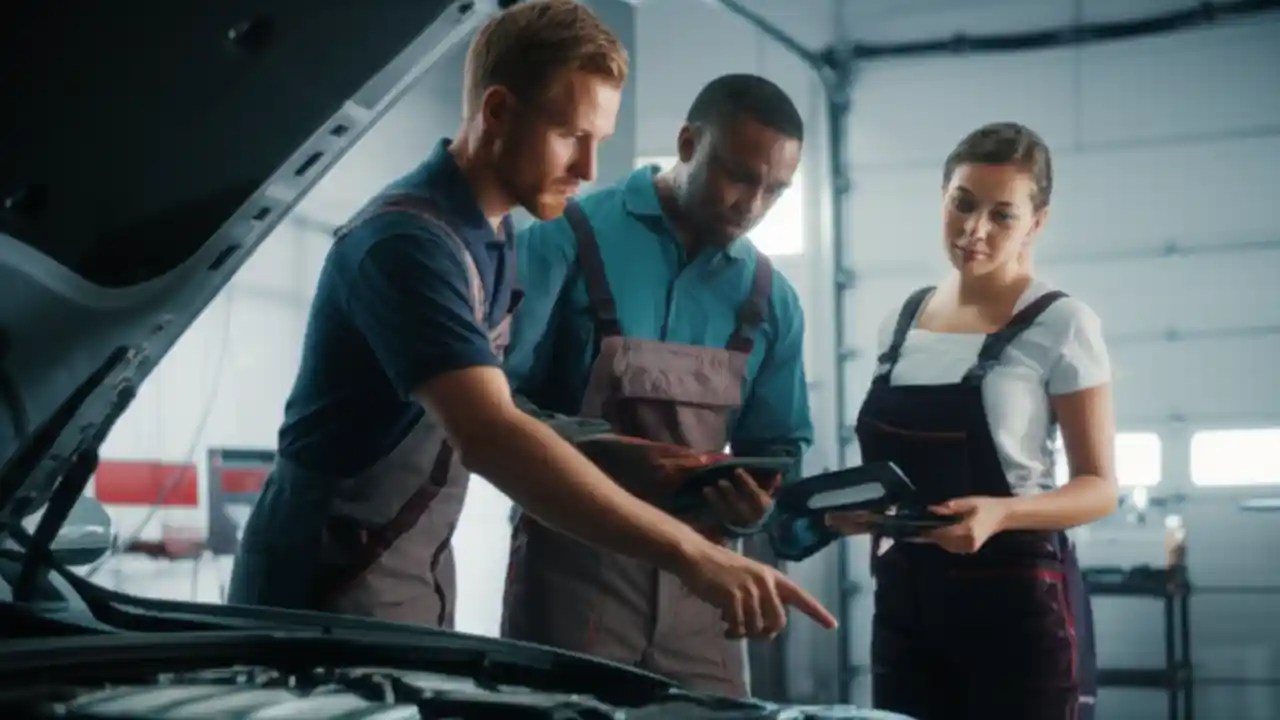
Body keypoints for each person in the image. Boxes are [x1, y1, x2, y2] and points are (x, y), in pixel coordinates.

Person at [226, 0, 836, 643]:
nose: (589, 170)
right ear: (496, 112)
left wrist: (640, 462)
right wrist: (691, 553)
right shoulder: (408, 244)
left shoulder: (489, 240)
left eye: (599, 142)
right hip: (320, 589)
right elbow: (492, 433)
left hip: (412, 571)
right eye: (570, 136)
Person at [500, 73, 814, 698]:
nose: (752, 205)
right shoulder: (566, 238)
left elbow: (781, 449)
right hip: (572, 578)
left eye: (775, 190)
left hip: (707, 592)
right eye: (739, 176)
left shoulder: (772, 298)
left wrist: (759, 507)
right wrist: (607, 454)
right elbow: (492, 403)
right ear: (688, 143)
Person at [788, 122, 1116, 719]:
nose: (974, 230)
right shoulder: (901, 321)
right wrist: (866, 514)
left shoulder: (1063, 324)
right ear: (943, 197)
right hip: (905, 605)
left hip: (1018, 608)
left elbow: (1099, 489)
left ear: (1036, 223)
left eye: (1002, 215)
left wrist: (1000, 513)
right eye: (962, 204)